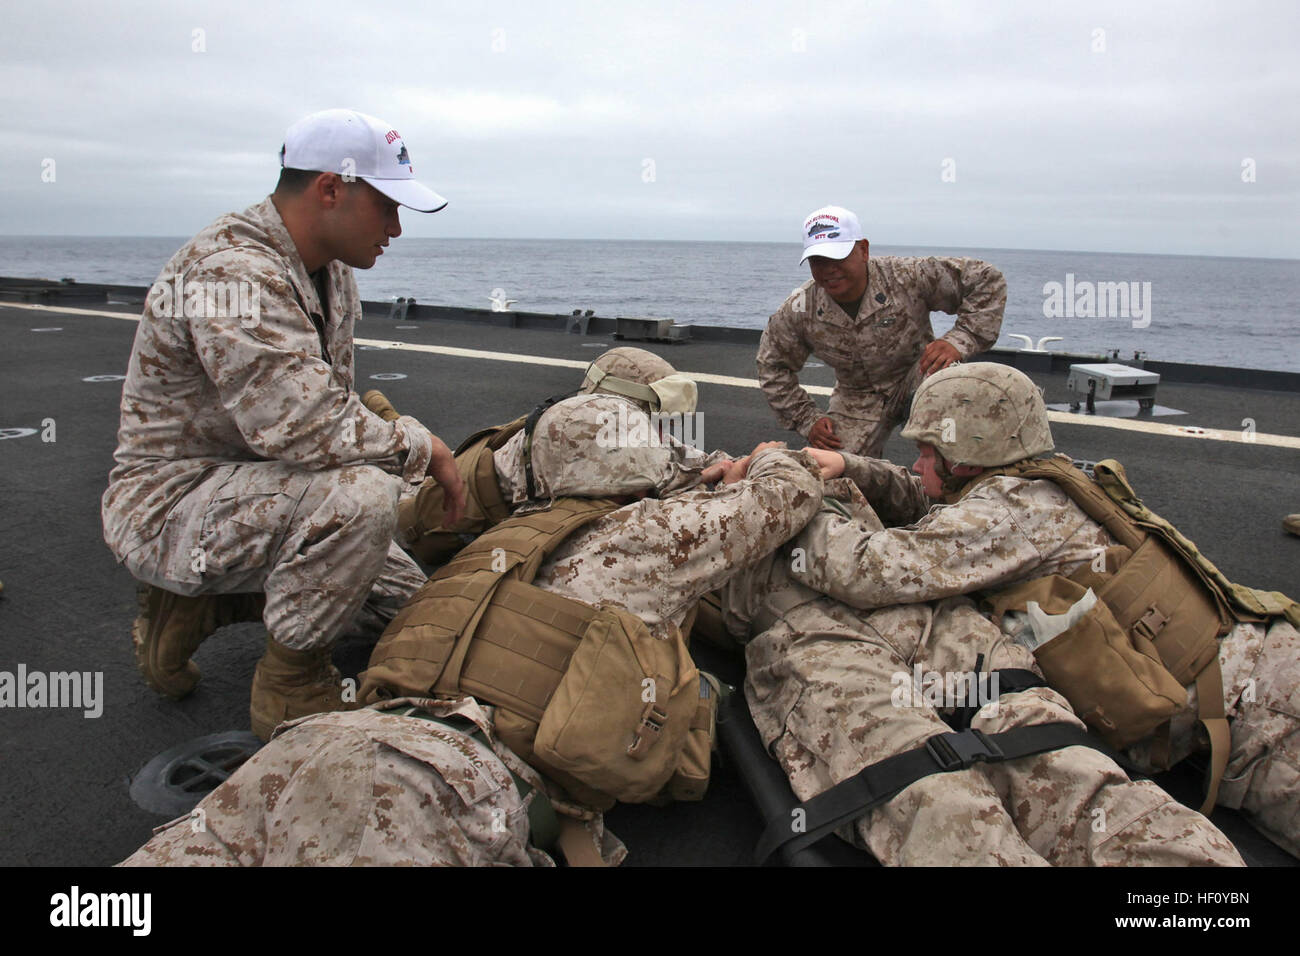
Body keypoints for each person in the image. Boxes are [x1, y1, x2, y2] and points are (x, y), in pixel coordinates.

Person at [121, 394, 823, 866]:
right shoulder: (650, 535)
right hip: (442, 783)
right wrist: (764, 459)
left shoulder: (498, 546)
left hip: (323, 739)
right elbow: (789, 497)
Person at [782, 362, 1300, 859]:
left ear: (964, 456)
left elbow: (863, 571)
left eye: (925, 450)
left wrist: (792, 497)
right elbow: (934, 498)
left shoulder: (1011, 512)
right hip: (1254, 673)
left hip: (1264, 718)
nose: (917, 463)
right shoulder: (1034, 480)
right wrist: (851, 467)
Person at [102, 109, 467, 741]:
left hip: (261, 487)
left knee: (420, 616)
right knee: (364, 498)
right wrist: (420, 447)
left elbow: (323, 411)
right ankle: (293, 689)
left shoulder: (328, 269)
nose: (397, 227)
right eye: (387, 207)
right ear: (331, 189)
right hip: (171, 504)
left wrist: (382, 439)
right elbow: (305, 426)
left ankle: (202, 604)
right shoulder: (233, 271)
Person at [717, 464, 1243, 866]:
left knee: (1063, 763)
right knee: (937, 801)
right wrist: (776, 474)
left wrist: (802, 469)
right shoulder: (674, 497)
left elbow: (892, 530)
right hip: (815, 634)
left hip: (921, 617)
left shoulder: (993, 499)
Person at [756, 205, 1005, 458]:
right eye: (818, 261)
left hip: (920, 375)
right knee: (832, 471)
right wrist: (807, 419)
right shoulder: (800, 308)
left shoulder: (906, 276)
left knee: (959, 440)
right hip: (856, 397)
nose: (829, 269)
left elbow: (986, 280)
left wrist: (959, 340)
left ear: (863, 250)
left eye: (838, 256)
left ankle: (962, 481)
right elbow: (772, 364)